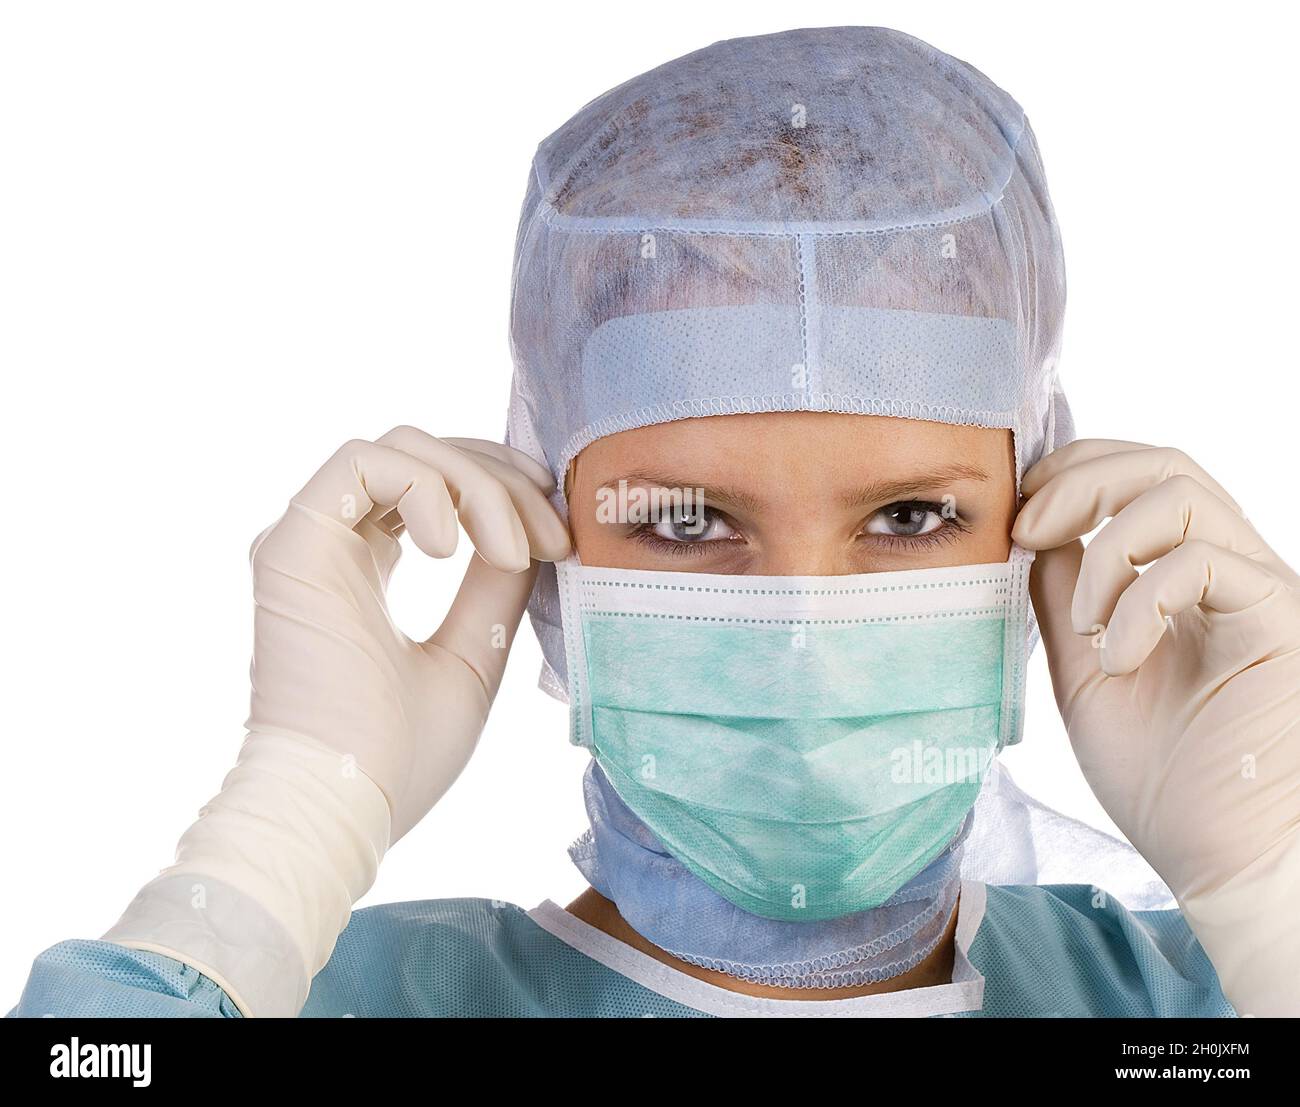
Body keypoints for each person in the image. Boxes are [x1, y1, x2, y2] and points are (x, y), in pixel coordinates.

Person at [11, 26, 1299, 1019]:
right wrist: (289, 818)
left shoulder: (1194, 1006)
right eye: (686, 522)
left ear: (1036, 538)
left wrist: (1274, 878)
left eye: (912, 517)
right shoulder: (314, 1000)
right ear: (552, 548)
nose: (804, 641)